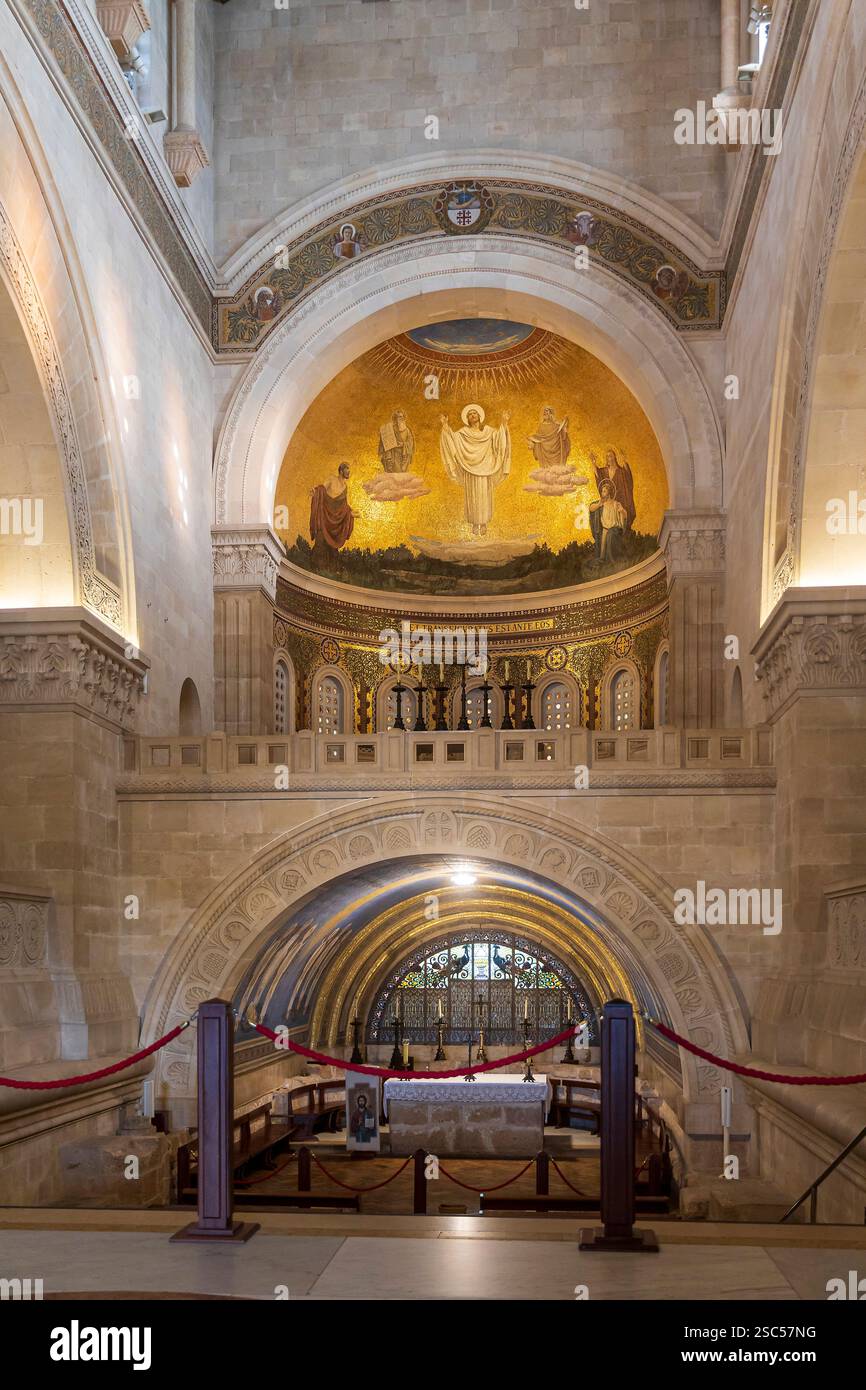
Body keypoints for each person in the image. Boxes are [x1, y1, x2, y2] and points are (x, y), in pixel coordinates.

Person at [440, 404, 511, 537]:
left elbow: (500, 440)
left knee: (484, 496)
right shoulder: (462, 433)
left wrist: (504, 422)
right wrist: (445, 425)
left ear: (479, 416)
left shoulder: (489, 432)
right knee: (473, 496)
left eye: (475, 413)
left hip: (486, 469)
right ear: (467, 418)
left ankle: (483, 523)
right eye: (470, 414)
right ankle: (474, 523)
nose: (473, 415)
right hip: (470, 470)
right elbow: (451, 440)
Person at [309, 462, 357, 553]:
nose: (349, 473)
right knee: (320, 545)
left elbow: (343, 505)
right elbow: (322, 489)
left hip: (337, 522)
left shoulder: (345, 487)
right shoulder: (332, 479)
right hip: (325, 517)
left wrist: (350, 512)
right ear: (341, 471)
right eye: (347, 470)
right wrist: (315, 491)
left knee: (332, 551)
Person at [590, 448, 635, 530]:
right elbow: (598, 475)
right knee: (595, 509)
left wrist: (624, 461)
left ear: (615, 457)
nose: (608, 458)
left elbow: (628, 479)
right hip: (608, 501)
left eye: (610, 455)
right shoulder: (604, 471)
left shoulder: (620, 472)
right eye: (607, 456)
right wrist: (593, 463)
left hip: (620, 500)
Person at [590, 479, 628, 560]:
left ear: (609, 492)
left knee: (611, 551)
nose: (602, 493)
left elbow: (624, 515)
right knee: (602, 555)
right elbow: (591, 508)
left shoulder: (616, 504)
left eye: (604, 491)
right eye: (602, 491)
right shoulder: (601, 504)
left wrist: (622, 511)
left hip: (614, 531)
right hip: (605, 530)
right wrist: (598, 504)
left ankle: (614, 560)